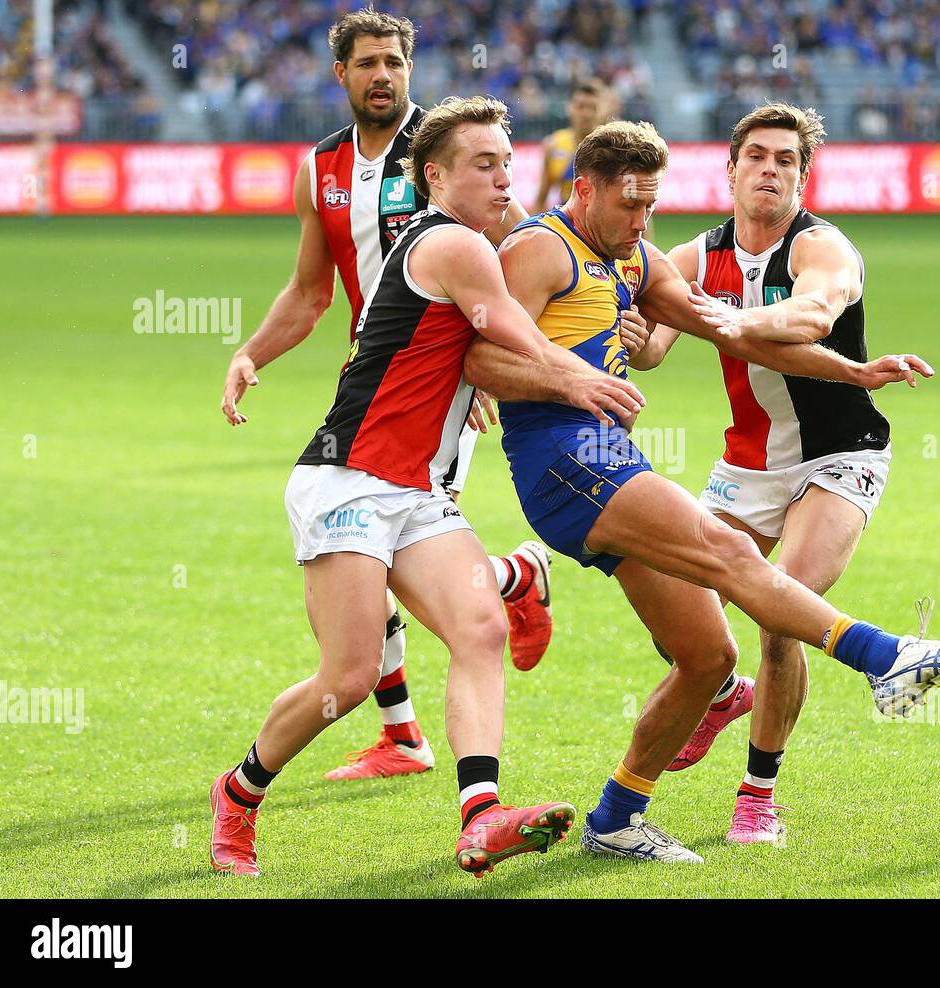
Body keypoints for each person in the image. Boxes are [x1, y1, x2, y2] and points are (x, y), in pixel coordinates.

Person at [465, 119, 940, 863]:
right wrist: (572, 375)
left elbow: (738, 336)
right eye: (629, 206)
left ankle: (617, 817)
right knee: (732, 560)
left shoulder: (639, 258)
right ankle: (889, 660)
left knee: (709, 654)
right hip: (566, 459)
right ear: (584, 190)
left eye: (652, 206)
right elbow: (481, 363)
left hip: (621, 455)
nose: (643, 223)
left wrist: (853, 372)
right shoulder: (538, 250)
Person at [209, 96, 648, 879]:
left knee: (480, 632)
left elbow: (486, 325)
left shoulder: (469, 239)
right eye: (484, 164)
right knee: (346, 680)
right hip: (347, 477)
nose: (504, 177)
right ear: (437, 176)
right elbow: (512, 329)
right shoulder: (452, 241)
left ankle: (481, 816)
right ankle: (239, 794)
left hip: (414, 490)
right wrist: (584, 379)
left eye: (507, 162)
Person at [217, 8, 555, 786]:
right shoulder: (322, 168)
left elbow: (519, 254)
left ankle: (413, 734)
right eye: (367, 64)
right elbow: (309, 293)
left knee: (397, 545)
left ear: (411, 67)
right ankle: (507, 587)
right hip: (370, 387)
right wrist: (250, 351)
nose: (382, 76)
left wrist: (489, 365)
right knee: (382, 554)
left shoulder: (447, 156)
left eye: (394, 63)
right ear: (341, 73)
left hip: (441, 389)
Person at [623, 101, 922, 844]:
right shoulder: (697, 255)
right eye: (757, 155)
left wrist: (723, 321)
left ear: (802, 176)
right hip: (746, 462)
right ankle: (722, 694)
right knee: (676, 606)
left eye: (786, 160)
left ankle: (757, 795)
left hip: (837, 454)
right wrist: (634, 334)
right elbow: (655, 348)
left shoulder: (822, 248)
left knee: (779, 613)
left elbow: (813, 316)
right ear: (729, 169)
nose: (770, 169)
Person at [531, 79, 609, 215]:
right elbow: (541, 199)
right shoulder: (554, 145)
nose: (586, 114)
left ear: (601, 110)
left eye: (593, 108)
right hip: (567, 224)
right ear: (570, 108)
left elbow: (633, 202)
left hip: (601, 223)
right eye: (581, 106)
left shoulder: (611, 147)